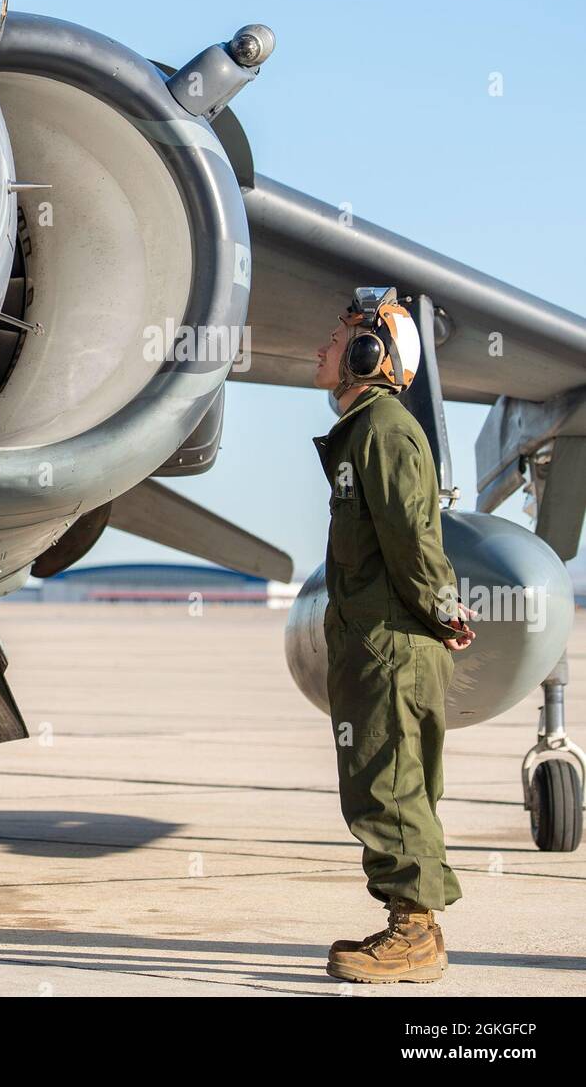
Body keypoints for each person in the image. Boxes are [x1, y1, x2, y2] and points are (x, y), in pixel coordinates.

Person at [313, 286, 476, 984]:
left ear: (367, 353)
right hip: (375, 644)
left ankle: (414, 935)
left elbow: (412, 539)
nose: (323, 348)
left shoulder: (383, 430)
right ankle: (413, 927)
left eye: (338, 336)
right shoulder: (367, 430)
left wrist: (445, 612)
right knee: (389, 784)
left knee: (393, 787)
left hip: (390, 648)